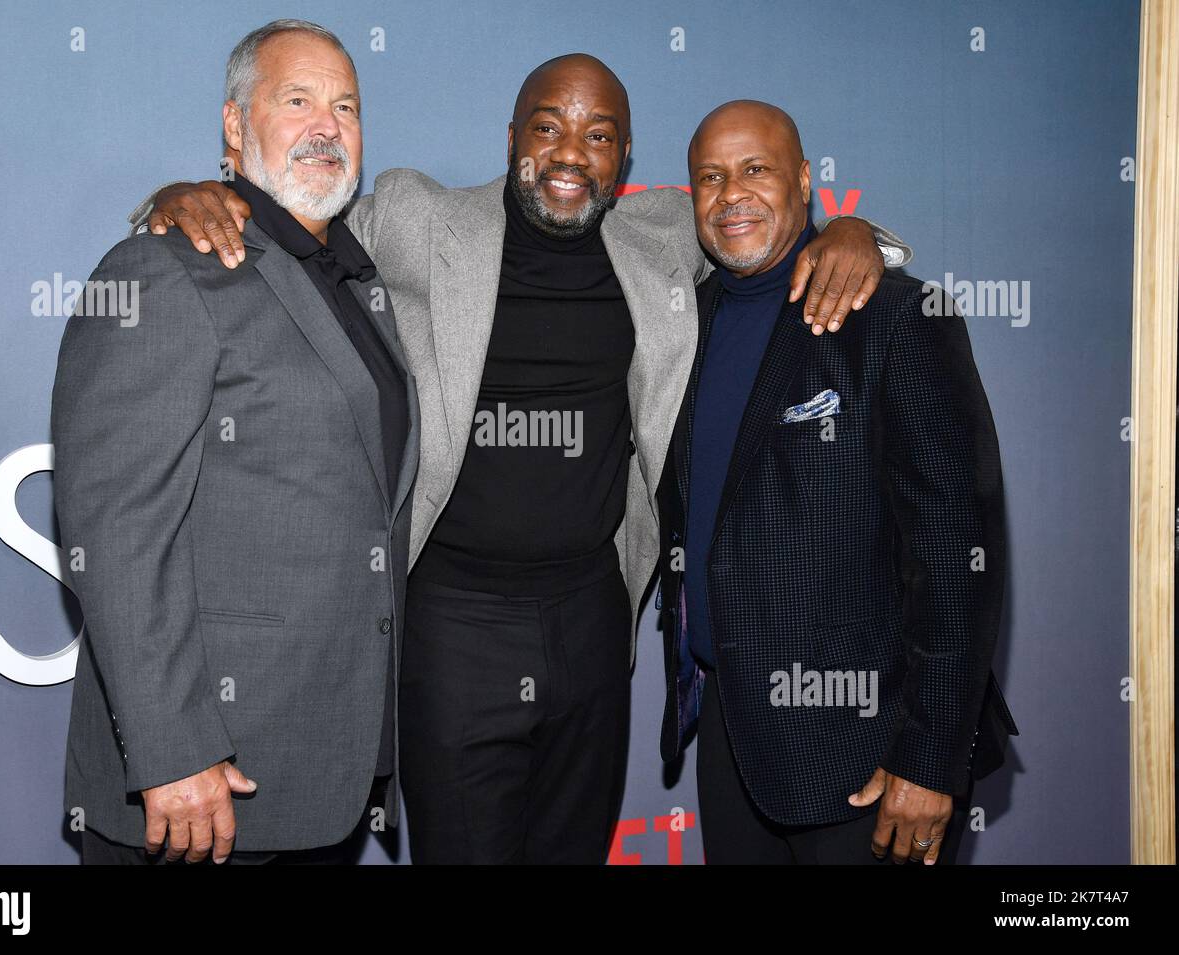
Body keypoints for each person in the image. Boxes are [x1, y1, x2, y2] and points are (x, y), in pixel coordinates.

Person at [134, 53, 908, 864]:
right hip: (455, 625)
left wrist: (859, 236)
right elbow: (287, 231)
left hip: (594, 623)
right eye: (548, 127)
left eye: (598, 135)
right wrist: (184, 200)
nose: (571, 152)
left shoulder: (664, 234)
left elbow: (773, 222)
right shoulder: (415, 215)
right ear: (512, 139)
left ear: (625, 157)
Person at [52, 19, 417, 864]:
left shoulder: (361, 286)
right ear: (233, 125)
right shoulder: (165, 269)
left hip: (321, 774)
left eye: (347, 106)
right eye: (297, 100)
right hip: (199, 792)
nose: (328, 125)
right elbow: (114, 531)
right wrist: (173, 750)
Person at [655, 100, 1018, 864]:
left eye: (756, 168)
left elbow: (958, 551)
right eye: (710, 178)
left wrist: (930, 755)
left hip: (869, 745)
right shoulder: (688, 314)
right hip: (734, 736)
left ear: (807, 179)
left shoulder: (895, 314)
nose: (732, 194)